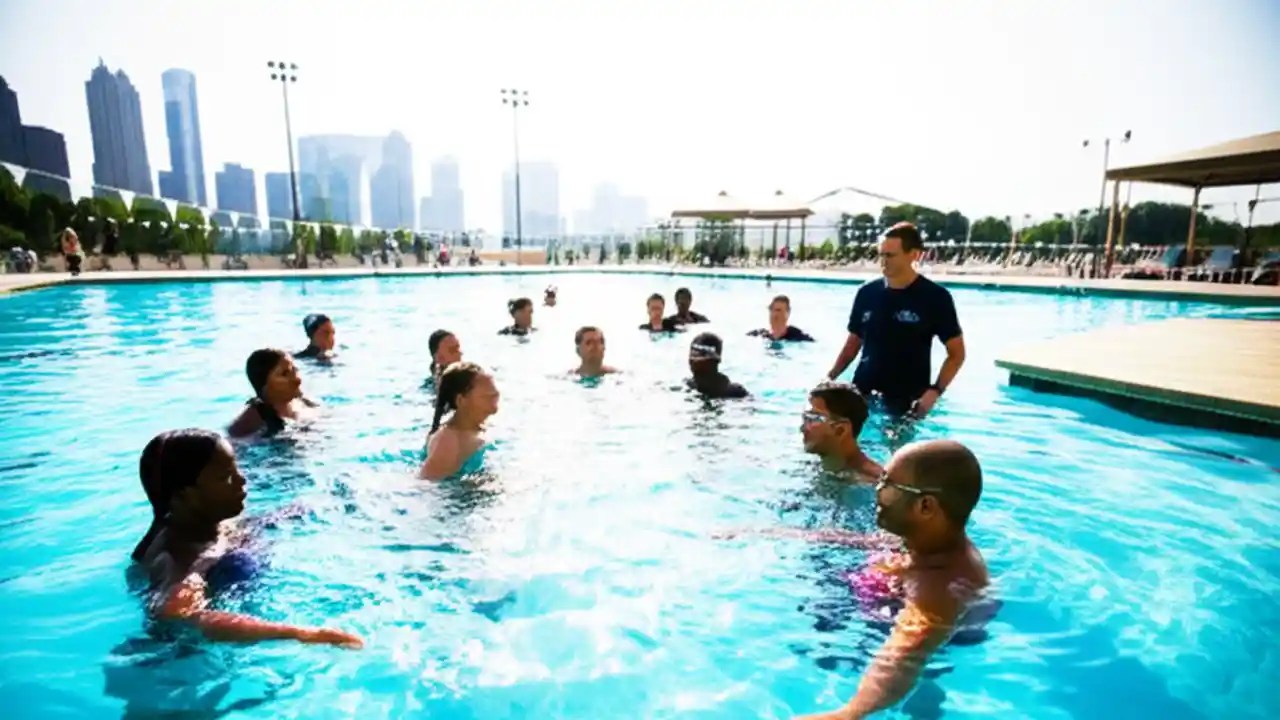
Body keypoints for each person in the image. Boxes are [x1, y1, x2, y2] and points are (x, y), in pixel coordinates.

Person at [790, 439, 988, 720]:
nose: (878, 492)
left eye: (888, 485)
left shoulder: (939, 585)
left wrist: (849, 713)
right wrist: (779, 533)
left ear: (926, 506)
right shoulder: (925, 540)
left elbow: (907, 650)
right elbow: (869, 542)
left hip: (937, 646)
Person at [131, 428, 362, 648]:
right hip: (192, 664)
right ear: (184, 494)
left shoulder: (206, 525)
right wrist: (300, 634)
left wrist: (320, 505)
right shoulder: (179, 558)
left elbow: (249, 527)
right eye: (226, 477)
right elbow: (180, 615)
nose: (242, 481)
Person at [825, 222, 965, 418]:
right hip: (862, 394)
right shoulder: (866, 293)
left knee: (898, 449)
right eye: (881, 254)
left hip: (906, 401)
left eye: (890, 255)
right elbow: (854, 341)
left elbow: (957, 353)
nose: (883, 261)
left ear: (914, 255)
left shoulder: (936, 298)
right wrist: (830, 377)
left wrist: (935, 391)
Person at [420, 362, 500, 480]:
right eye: (486, 398)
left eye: (495, 396)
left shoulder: (479, 426)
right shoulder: (448, 442)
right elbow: (425, 484)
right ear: (461, 400)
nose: (494, 409)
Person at [228, 349, 319, 438]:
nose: (297, 380)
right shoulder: (247, 424)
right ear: (264, 386)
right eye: (285, 374)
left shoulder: (305, 403)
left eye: (294, 370)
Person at [801, 382, 882, 478]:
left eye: (813, 419)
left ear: (841, 430)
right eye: (805, 418)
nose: (802, 428)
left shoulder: (871, 483)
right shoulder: (816, 467)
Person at [686, 332, 748, 399]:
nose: (694, 365)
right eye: (692, 360)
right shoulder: (688, 385)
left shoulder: (735, 392)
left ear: (715, 362)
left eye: (701, 362)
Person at [747, 295, 815, 341]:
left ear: (788, 313)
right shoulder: (758, 335)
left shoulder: (799, 337)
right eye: (771, 310)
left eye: (778, 310)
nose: (774, 314)